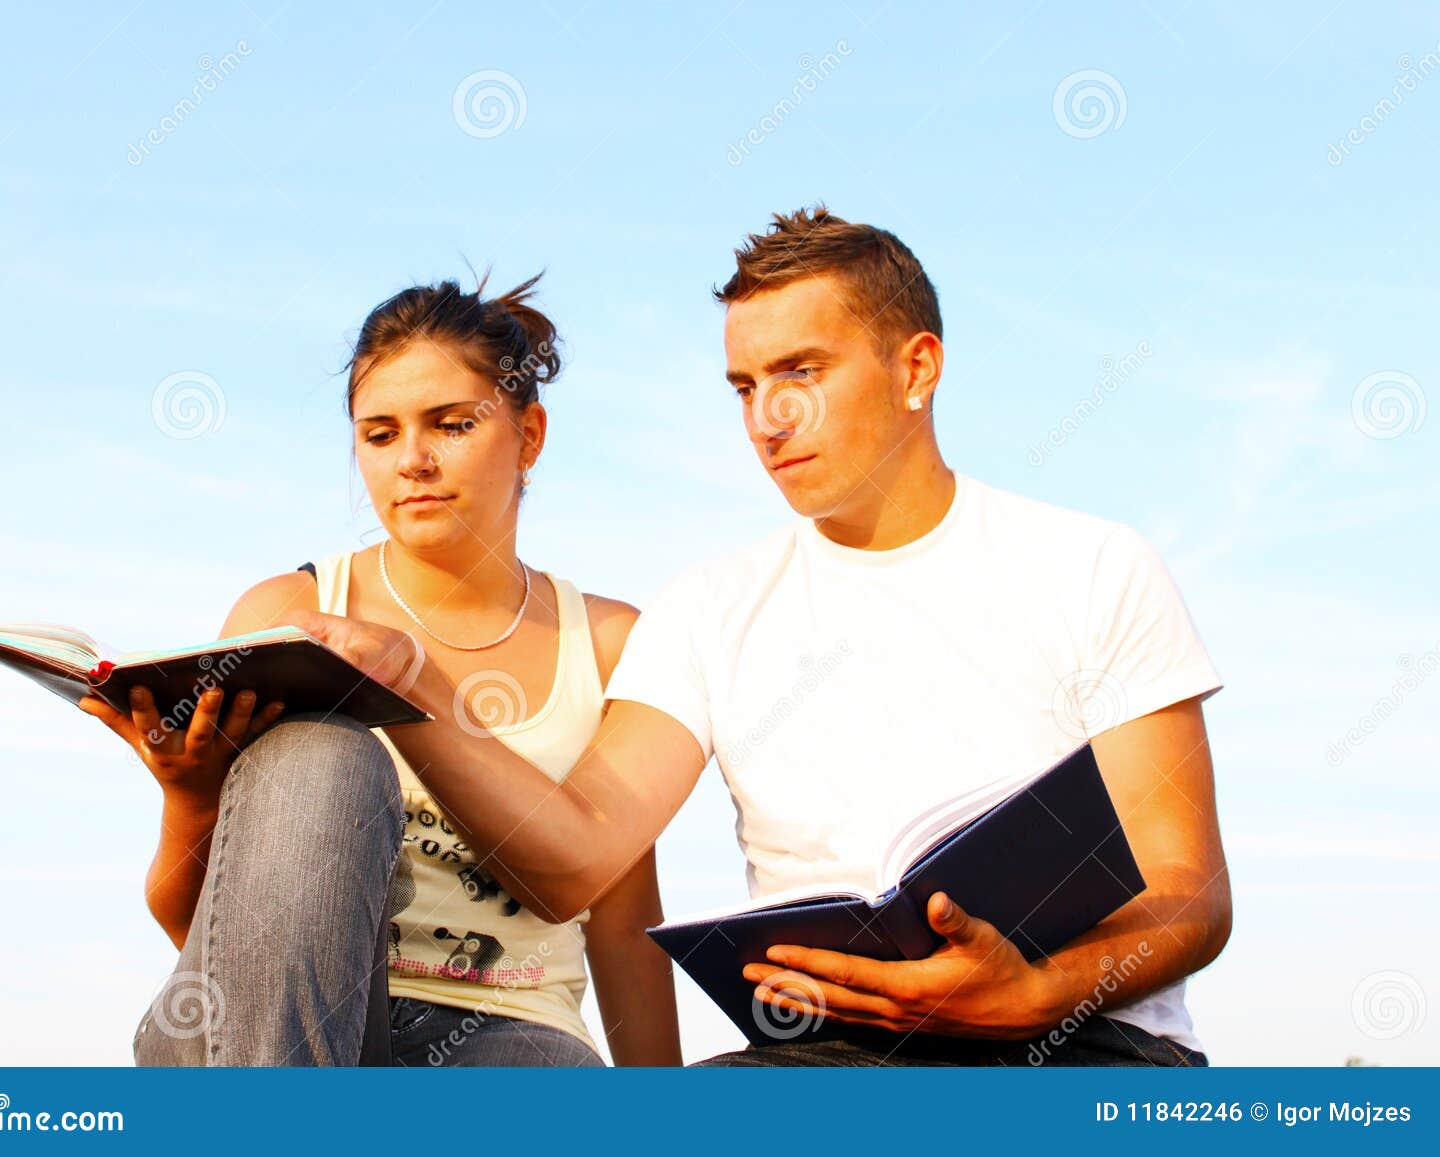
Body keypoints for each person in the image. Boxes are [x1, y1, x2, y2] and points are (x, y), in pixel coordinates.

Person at [292, 208, 1233, 1067]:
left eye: (801, 373)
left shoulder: (1094, 563)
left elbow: (1189, 891)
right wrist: (408, 690)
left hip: (1083, 1046)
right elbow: (571, 858)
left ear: (916, 369)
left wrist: (1033, 993)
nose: (766, 420)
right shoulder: (706, 608)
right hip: (820, 1060)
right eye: (744, 385)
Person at [82, 274, 681, 1067]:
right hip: (279, 1026)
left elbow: (621, 913)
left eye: (452, 424)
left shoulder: (608, 640)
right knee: (326, 756)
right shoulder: (287, 610)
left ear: (529, 435)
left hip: (503, 1033)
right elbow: (208, 936)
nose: (414, 461)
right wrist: (187, 795)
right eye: (381, 433)